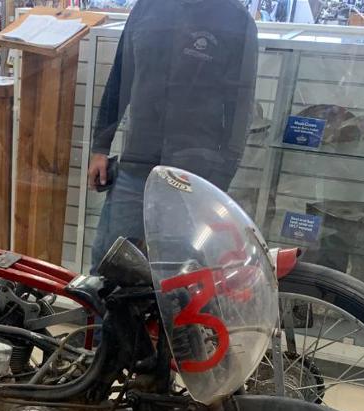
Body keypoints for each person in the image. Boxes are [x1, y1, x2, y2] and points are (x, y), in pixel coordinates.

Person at [87, 0, 258, 269]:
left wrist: (220, 180)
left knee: (174, 273)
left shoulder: (235, 19)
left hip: (193, 177)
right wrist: (100, 147)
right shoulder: (146, 8)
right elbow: (120, 78)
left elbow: (240, 106)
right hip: (135, 169)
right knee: (107, 265)